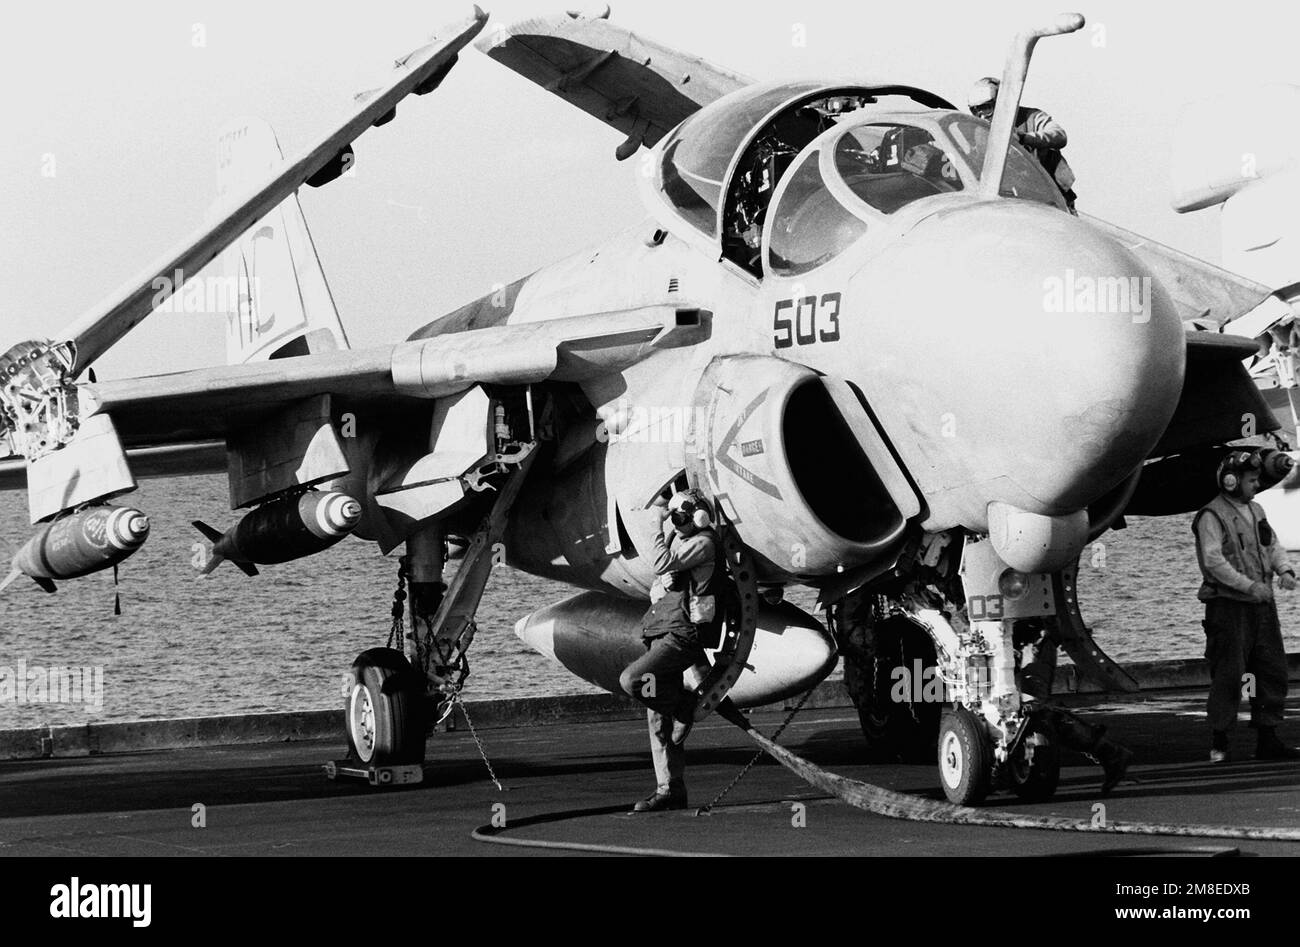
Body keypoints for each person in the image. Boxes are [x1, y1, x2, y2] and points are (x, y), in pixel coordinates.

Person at [618, 488, 729, 812]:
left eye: (682, 517)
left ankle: (683, 706)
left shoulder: (703, 543)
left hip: (682, 634)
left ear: (698, 518)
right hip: (662, 628)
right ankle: (669, 788)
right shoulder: (683, 539)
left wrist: (654, 524)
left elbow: (662, 563)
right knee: (657, 719)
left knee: (632, 681)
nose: (677, 523)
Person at [1192, 450, 1300, 762]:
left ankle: (1268, 739)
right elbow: (1214, 561)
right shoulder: (1211, 517)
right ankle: (1220, 742)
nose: (1256, 485)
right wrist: (1249, 585)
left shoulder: (1256, 509)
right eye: (1251, 480)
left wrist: (1285, 571)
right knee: (1229, 675)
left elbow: (1272, 544)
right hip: (1228, 608)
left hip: (1261, 607)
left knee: (1271, 670)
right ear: (1231, 481)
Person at [1015, 620, 1134, 794]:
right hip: (1012, 642)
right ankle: (1108, 752)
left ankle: (1108, 752)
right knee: (1027, 710)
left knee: (1034, 712)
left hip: (1028, 641)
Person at [968, 76, 1078, 213]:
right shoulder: (980, 133)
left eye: (987, 108)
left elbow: (1059, 135)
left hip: (1054, 199)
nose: (982, 116)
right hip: (1015, 203)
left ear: (1001, 103)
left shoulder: (1031, 117)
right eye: (976, 110)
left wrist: (1023, 138)